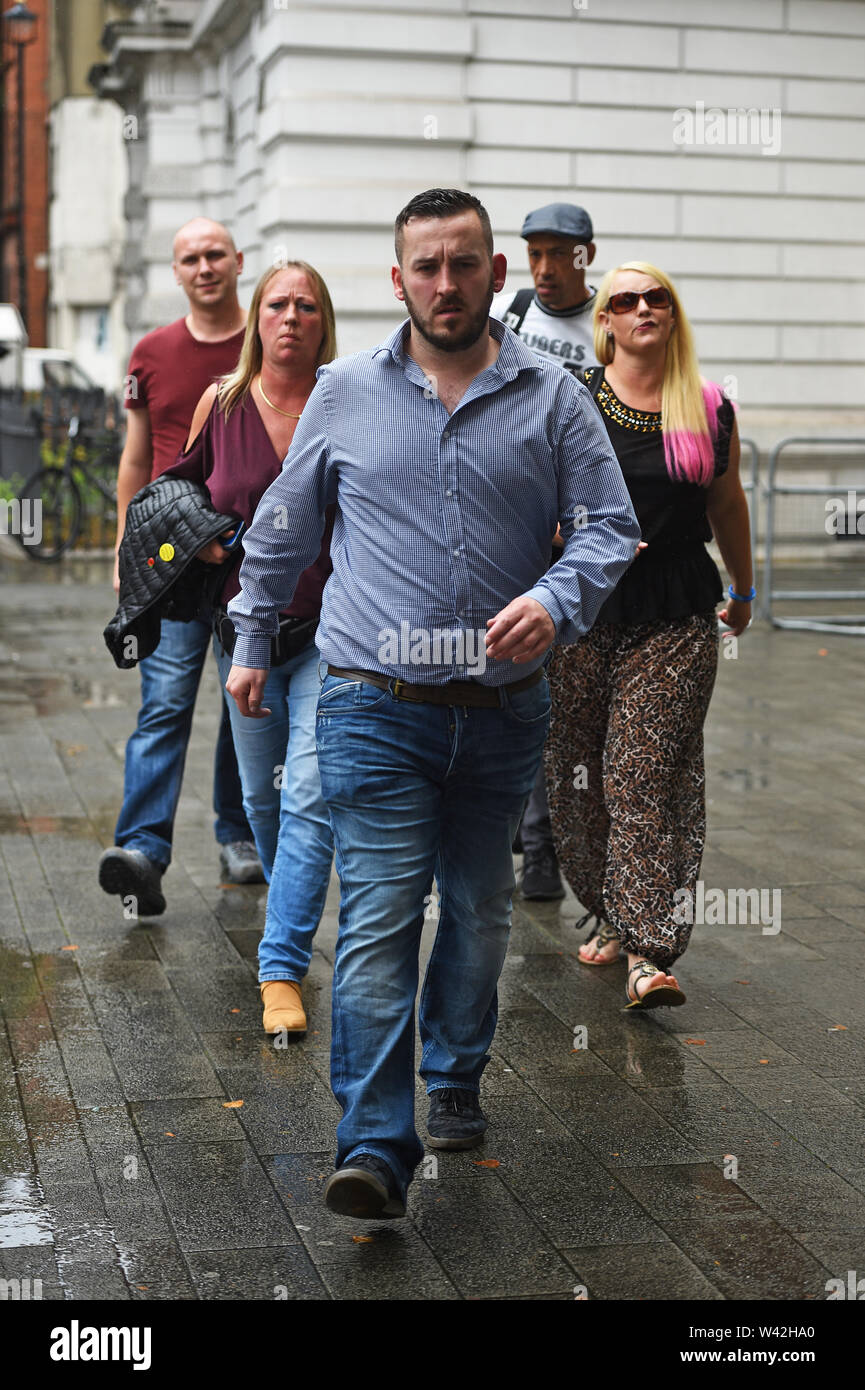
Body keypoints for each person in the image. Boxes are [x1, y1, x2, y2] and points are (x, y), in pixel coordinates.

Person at [225, 188, 640, 1219]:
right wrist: (247, 641)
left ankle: (453, 1072)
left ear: (495, 273)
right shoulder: (343, 394)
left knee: (482, 911)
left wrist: (554, 600)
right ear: (397, 277)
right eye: (425, 266)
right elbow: (280, 531)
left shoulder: (552, 395)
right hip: (373, 701)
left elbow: (608, 527)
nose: (444, 284)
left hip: (503, 713)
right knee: (373, 924)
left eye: (463, 264)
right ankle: (372, 1144)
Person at [544, 261, 753, 1009]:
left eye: (655, 297)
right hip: (582, 613)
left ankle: (647, 952)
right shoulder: (573, 402)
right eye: (624, 300)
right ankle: (608, 903)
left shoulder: (706, 406)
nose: (641, 308)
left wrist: (746, 588)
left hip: (675, 614)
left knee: (643, 776)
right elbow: (540, 500)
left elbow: (726, 506)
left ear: (671, 313)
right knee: (576, 781)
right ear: (603, 321)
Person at [166, 260, 336, 1035]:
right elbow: (180, 494)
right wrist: (200, 545)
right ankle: (290, 911)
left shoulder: (349, 401)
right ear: (257, 319)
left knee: (308, 794)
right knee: (266, 803)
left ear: (322, 320)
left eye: (305, 305)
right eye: (277, 304)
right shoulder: (223, 401)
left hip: (337, 634)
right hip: (247, 638)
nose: (291, 317)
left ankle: (281, 971)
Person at [98, 218, 263, 918]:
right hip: (167, 560)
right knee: (164, 703)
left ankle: (240, 834)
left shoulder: (264, 342)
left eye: (214, 255)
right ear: (176, 271)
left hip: (246, 556)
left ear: (237, 261)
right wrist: (121, 547)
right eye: (190, 258)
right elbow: (136, 460)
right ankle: (142, 851)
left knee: (244, 700)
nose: (204, 267)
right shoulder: (152, 352)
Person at [491, 202, 599, 902]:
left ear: (586, 255)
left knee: (565, 700)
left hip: (583, 538)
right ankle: (527, 835)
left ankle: (548, 843)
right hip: (523, 532)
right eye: (535, 253)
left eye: (559, 254)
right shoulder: (514, 312)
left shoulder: (610, 321)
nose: (545, 268)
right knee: (519, 679)